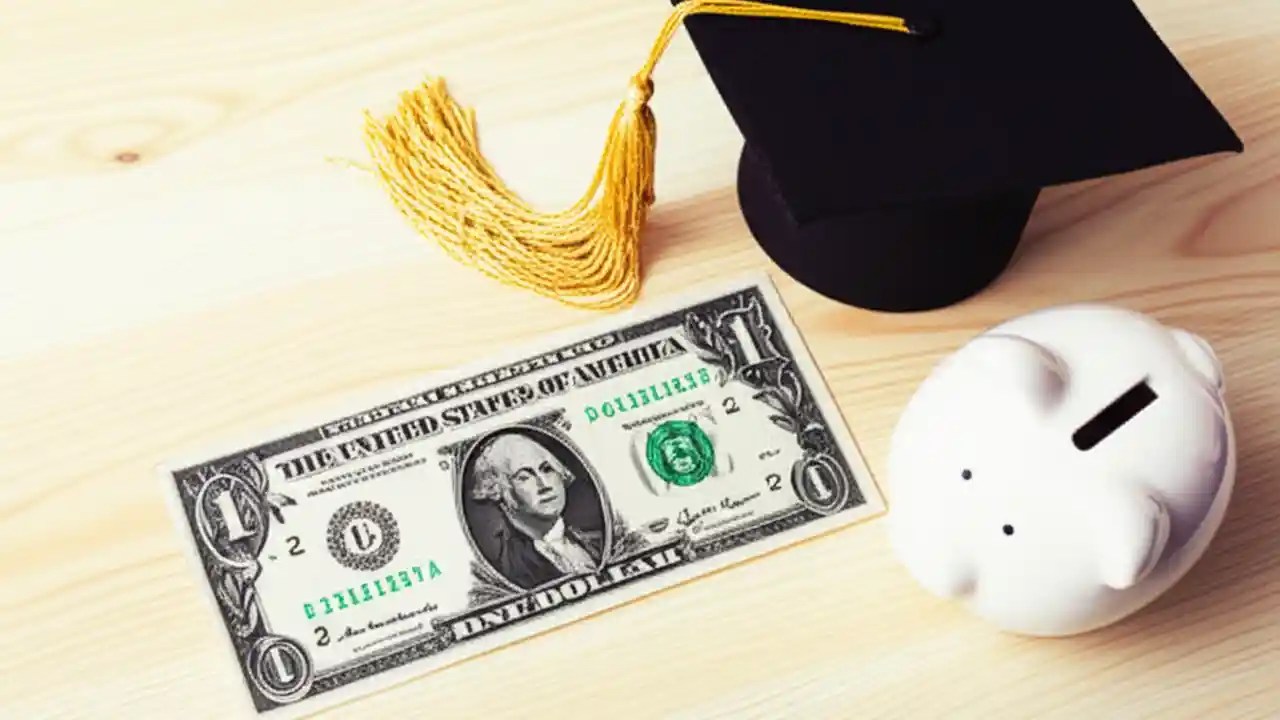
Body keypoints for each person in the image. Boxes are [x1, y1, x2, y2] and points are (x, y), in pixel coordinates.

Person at [469, 432, 604, 589]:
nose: (544, 484)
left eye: (547, 469)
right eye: (525, 477)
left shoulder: (593, 541)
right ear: (496, 490)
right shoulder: (511, 568)